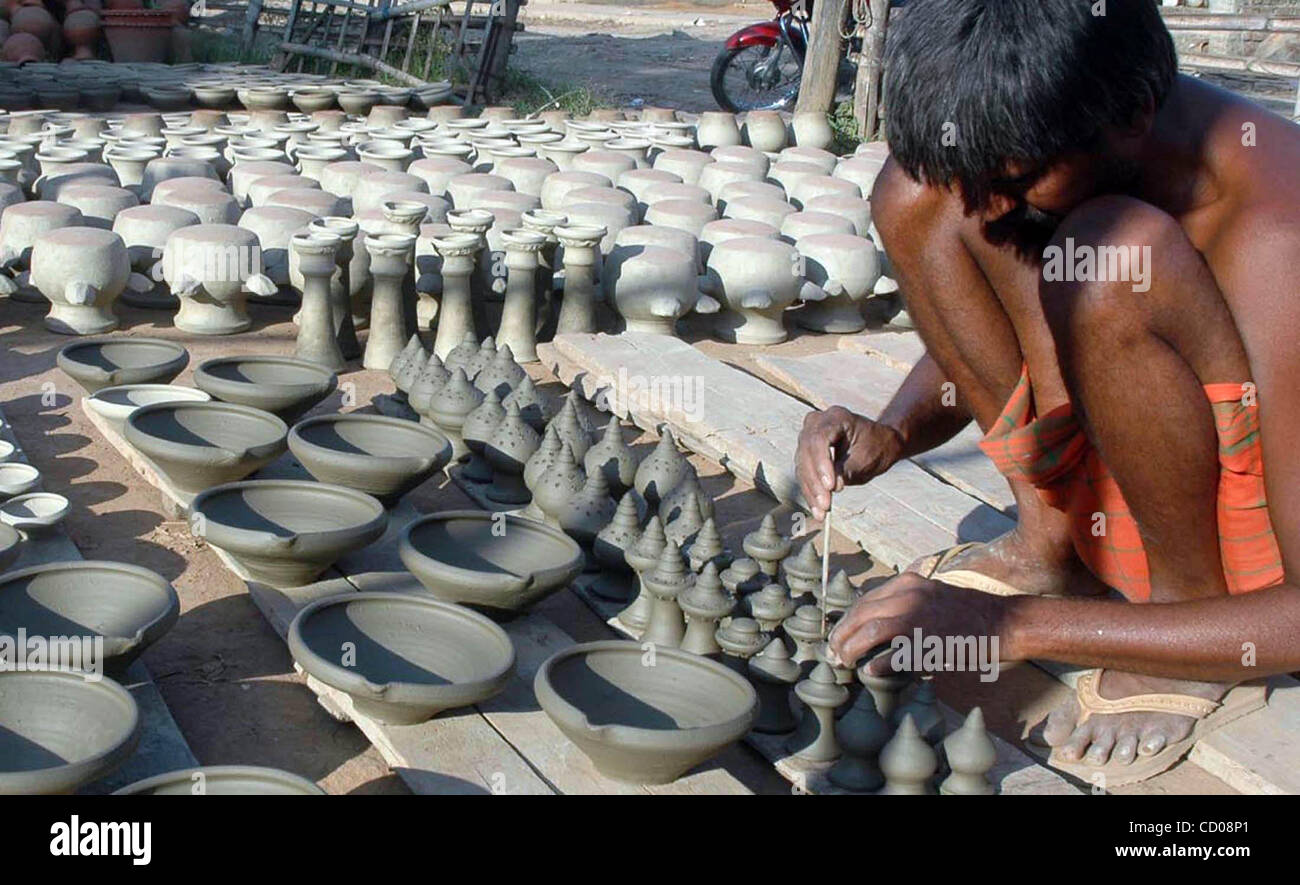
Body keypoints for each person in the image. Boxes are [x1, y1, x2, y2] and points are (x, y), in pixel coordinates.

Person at [796, 0, 1300, 784]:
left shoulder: (1279, 237)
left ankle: (1180, 625)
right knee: (916, 193)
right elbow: (995, 261)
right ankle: (1052, 545)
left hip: (1255, 573)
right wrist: (895, 429)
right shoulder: (1079, 128)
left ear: (1134, 116)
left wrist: (1017, 626)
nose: (987, 214)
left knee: (1111, 257)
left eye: (1015, 182)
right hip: (1139, 471)